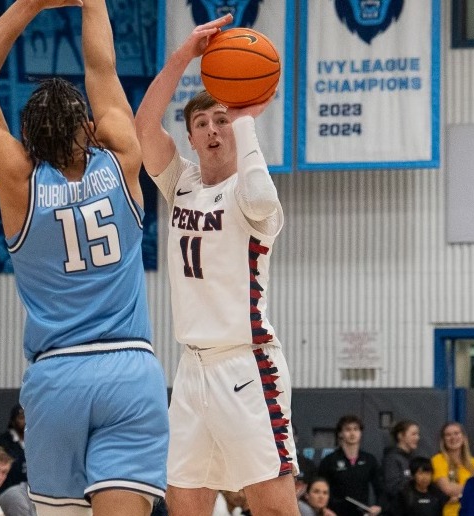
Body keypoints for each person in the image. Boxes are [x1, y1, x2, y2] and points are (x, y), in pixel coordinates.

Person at [0, 0, 169, 514]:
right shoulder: (120, 155)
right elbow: (102, 67)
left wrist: (29, 4)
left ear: (28, 139)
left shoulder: (19, 182)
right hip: (130, 372)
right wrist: (90, 1)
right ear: (88, 128)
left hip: (59, 378)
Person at [133, 12, 297, 516]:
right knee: (185, 503)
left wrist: (245, 116)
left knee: (272, 506)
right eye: (200, 123)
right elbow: (142, 127)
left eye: (220, 120)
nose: (210, 129)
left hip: (246, 365)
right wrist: (184, 55)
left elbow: (260, 192)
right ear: (190, 137)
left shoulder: (251, 197)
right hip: (191, 368)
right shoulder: (180, 183)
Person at [317, 415, 382, 516]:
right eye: (348, 429)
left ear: (360, 433)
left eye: (356, 429)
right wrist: (324, 509)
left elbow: (380, 488)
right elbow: (319, 487)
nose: (352, 433)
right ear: (340, 434)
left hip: (362, 512)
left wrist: (378, 506)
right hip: (335, 513)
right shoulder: (329, 460)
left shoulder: (369, 460)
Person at [431, 422, 474, 516]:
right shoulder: (438, 460)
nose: (453, 438)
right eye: (448, 435)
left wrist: (459, 493)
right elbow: (447, 489)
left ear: (464, 437)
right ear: (443, 440)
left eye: (456, 433)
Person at [381, 420, 420, 509]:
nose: (417, 438)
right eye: (413, 434)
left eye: (418, 434)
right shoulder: (391, 459)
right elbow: (392, 488)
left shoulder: (413, 458)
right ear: (400, 436)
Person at [0, 404, 27, 488]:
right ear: (12, 421)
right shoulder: (4, 440)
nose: (26, 421)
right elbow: (9, 462)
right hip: (10, 487)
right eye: (21, 418)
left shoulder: (36, 440)